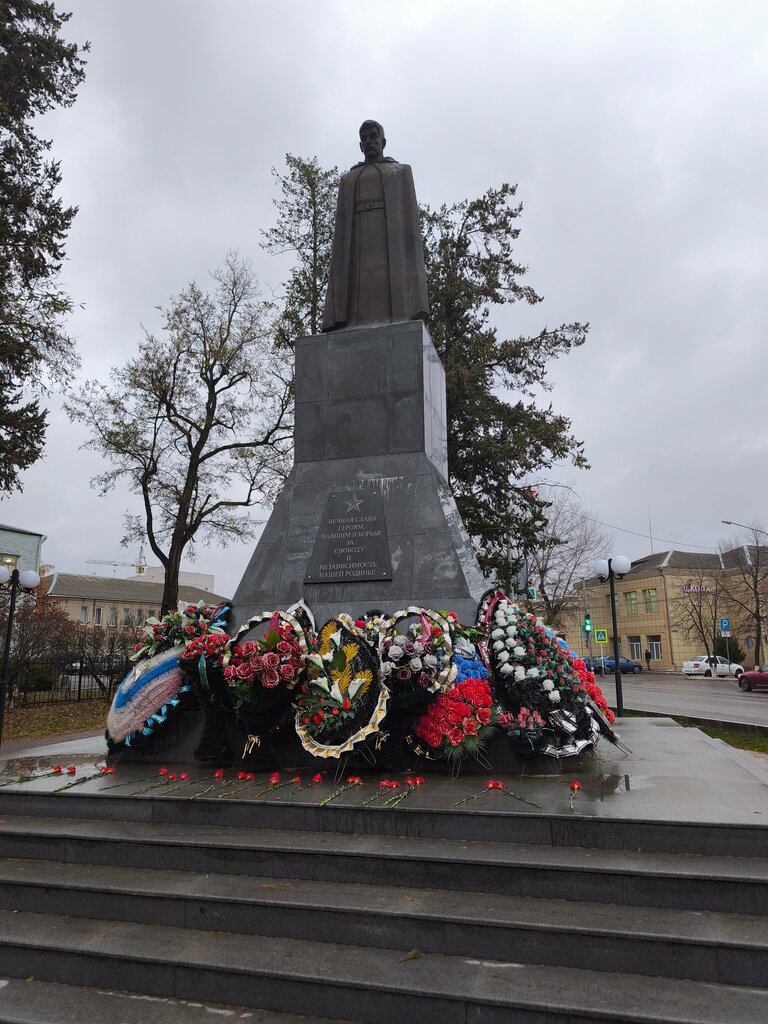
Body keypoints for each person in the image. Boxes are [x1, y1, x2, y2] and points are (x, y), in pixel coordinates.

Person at [322, 120, 430, 332]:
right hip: (357, 245)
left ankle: (397, 317)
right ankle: (348, 321)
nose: (369, 142)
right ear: (360, 146)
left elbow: (411, 231)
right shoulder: (349, 179)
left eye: (373, 137)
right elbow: (341, 232)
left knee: (388, 288)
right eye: (365, 139)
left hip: (390, 244)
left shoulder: (400, 172)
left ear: (383, 141)